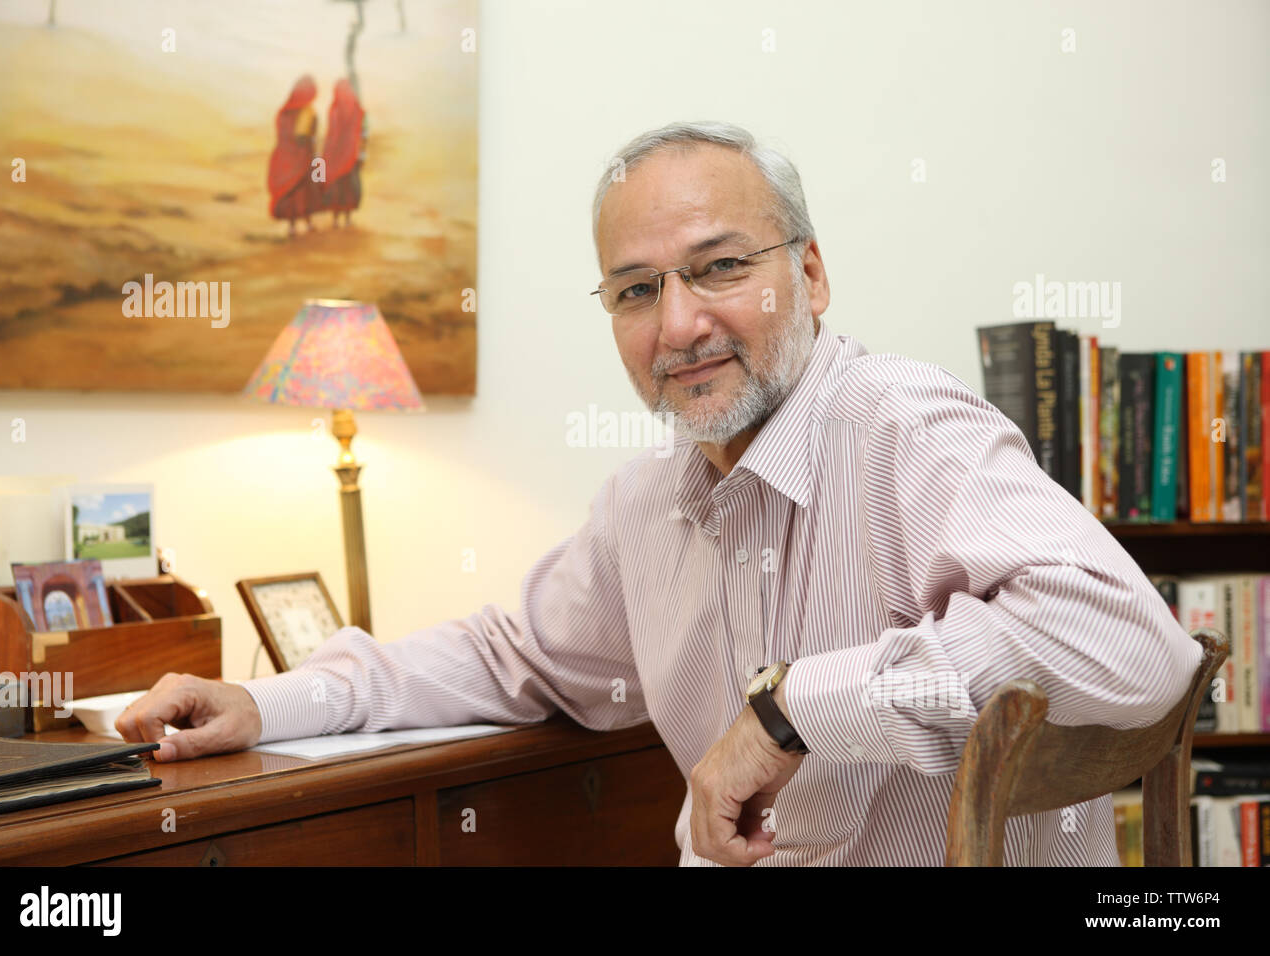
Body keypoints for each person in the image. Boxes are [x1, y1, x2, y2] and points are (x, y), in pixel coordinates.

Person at [117, 120, 1201, 866]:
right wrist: (272, 699)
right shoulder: (649, 502)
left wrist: (789, 710)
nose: (677, 324)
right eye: (636, 290)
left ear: (811, 275)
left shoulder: (901, 424)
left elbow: (1130, 637)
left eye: (720, 267)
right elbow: (509, 654)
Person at [266, 75, 320, 237]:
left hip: (284, 156)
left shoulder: (284, 111)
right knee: (304, 190)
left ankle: (293, 226)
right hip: (302, 155)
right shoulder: (307, 111)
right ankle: (307, 222)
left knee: (293, 191)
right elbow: (304, 137)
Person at [320, 78, 366, 227]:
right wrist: (361, 154)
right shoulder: (357, 110)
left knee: (337, 187)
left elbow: (331, 135)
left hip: (336, 156)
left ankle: (336, 219)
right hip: (351, 156)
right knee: (348, 187)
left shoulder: (335, 109)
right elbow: (362, 134)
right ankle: (346, 219)